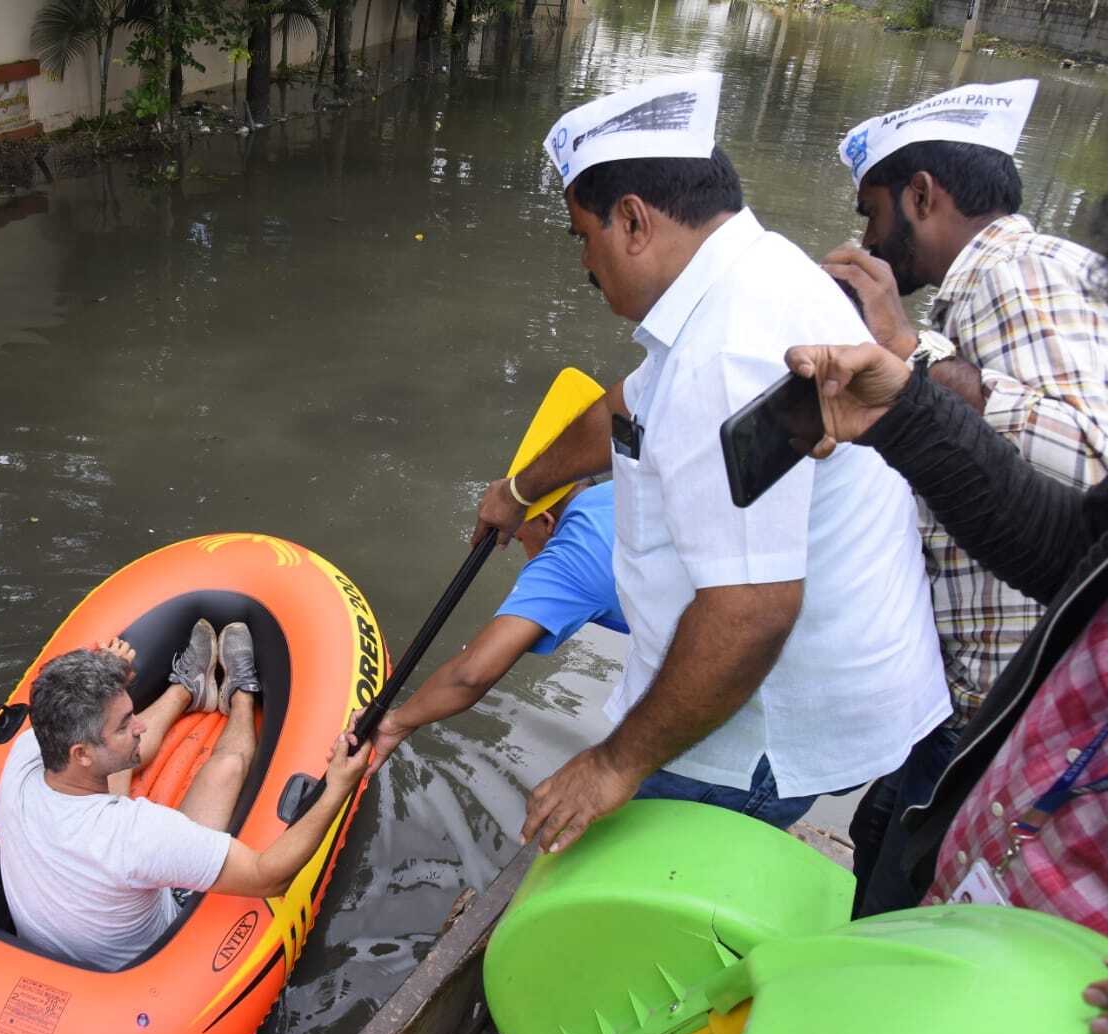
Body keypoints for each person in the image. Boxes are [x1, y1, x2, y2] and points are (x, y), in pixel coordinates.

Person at [438, 71, 951, 856]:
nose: (586, 265)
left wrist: (612, 764)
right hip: (820, 681)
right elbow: (626, 404)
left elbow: (752, 610)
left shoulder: (729, 354)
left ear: (632, 220)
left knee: (616, 882)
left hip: (760, 724)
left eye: (584, 236)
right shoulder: (751, 274)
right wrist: (520, 488)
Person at [821, 80, 1108, 917]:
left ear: (921, 195)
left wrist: (913, 352)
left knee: (893, 914)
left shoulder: (1011, 272)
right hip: (971, 703)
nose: (867, 240)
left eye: (873, 213)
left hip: (999, 705)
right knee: (882, 849)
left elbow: (1092, 458)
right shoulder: (1023, 275)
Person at [0, 621, 364, 970]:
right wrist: (338, 786)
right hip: (155, 953)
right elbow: (268, 876)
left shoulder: (23, 759)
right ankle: (240, 698)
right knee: (227, 768)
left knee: (117, 759)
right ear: (81, 753)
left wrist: (104, 673)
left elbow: (80, 724)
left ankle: (187, 689)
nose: (139, 724)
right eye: (124, 725)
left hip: (76, 929)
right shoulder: (136, 835)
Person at [365, 479, 626, 774]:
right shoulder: (624, 486)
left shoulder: (571, 557)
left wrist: (395, 723)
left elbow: (469, 676)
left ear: (546, 521)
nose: (524, 552)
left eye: (520, 539)